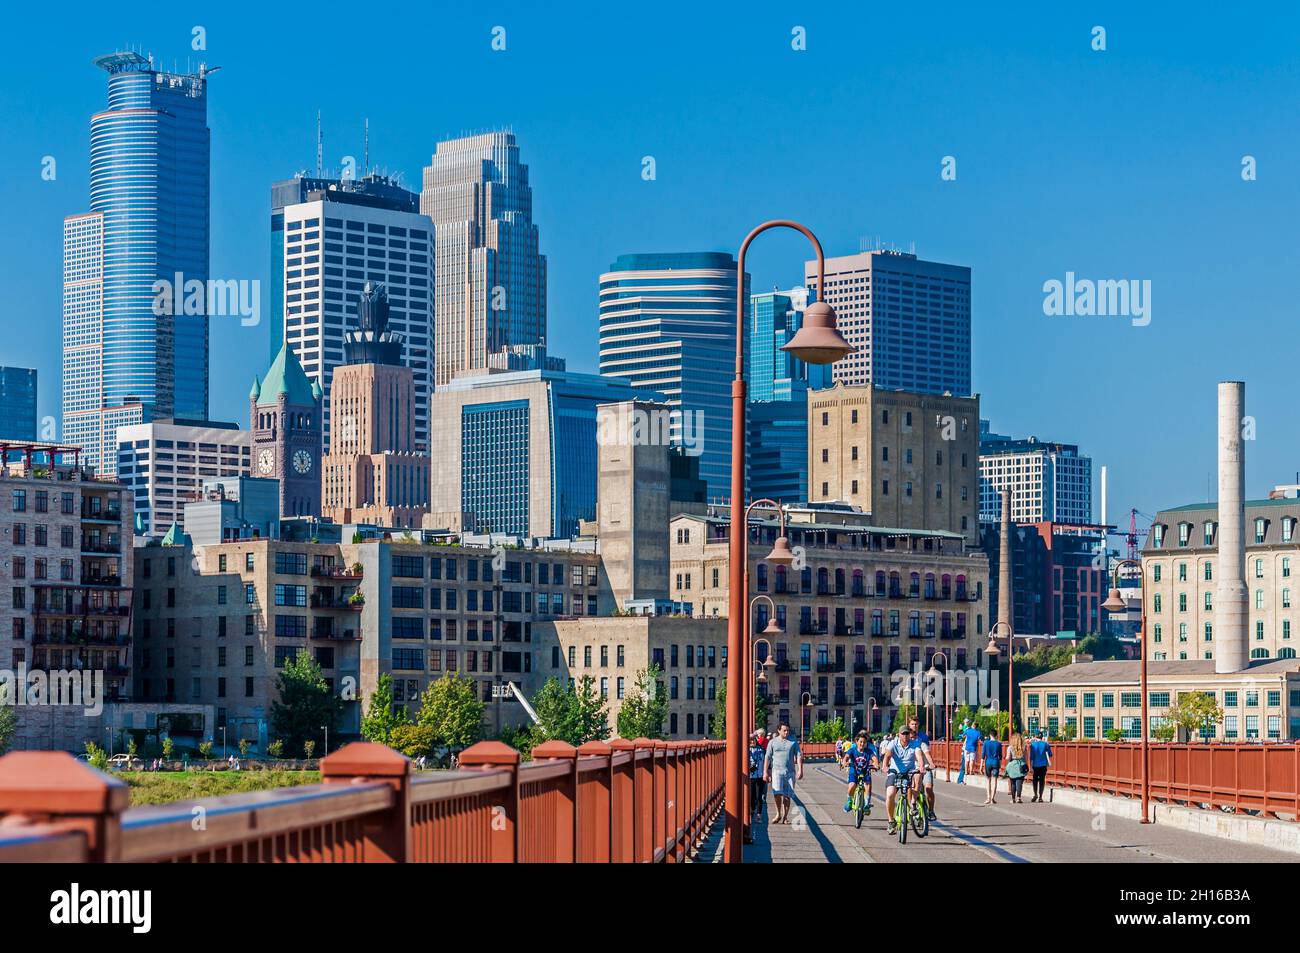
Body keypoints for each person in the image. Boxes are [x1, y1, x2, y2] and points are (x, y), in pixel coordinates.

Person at [880, 726, 920, 836]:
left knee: (914, 784)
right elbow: (887, 755)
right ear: (899, 734)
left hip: (908, 772)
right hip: (894, 772)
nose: (905, 736)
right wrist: (884, 766)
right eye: (903, 733)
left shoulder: (914, 744)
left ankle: (913, 806)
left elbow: (919, 755)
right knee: (890, 794)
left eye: (907, 733)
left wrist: (921, 766)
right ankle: (891, 821)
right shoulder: (893, 743)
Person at [763, 723, 803, 824]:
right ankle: (778, 814)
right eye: (784, 730)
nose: (786, 732)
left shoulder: (793, 742)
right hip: (776, 771)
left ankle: (785, 817)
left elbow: (798, 756)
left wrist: (800, 770)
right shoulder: (772, 742)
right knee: (777, 794)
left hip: (790, 772)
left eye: (788, 731)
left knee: (787, 795)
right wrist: (765, 772)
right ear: (779, 731)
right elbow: (767, 757)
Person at [841, 730, 878, 815]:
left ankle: (866, 804)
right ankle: (849, 801)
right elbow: (846, 757)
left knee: (867, 786)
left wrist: (876, 764)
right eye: (860, 742)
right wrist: (844, 762)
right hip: (854, 770)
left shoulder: (869, 751)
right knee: (852, 785)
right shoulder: (852, 750)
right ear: (856, 741)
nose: (862, 744)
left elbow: (874, 758)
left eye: (864, 742)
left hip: (865, 771)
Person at [908, 716, 937, 820]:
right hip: (912, 768)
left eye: (916, 724)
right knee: (910, 788)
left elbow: (927, 752)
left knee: (928, 788)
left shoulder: (922, 738)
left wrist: (931, 764)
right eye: (912, 724)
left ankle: (931, 810)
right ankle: (911, 807)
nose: (914, 726)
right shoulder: (906, 738)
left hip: (924, 767)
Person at [1028, 730, 1053, 802]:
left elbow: (1031, 757)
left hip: (1035, 765)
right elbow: (1050, 754)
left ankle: (1035, 794)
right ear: (1042, 737)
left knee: (1035, 780)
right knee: (1042, 780)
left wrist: (1030, 767)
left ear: (1035, 736)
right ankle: (1040, 797)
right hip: (1043, 765)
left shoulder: (1033, 745)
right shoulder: (1046, 744)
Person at [748, 733, 768, 821]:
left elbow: (767, 762)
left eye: (753, 739)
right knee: (752, 795)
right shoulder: (746, 750)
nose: (752, 741)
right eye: (750, 740)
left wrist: (767, 773)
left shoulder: (762, 750)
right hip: (751, 776)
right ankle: (752, 810)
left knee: (759, 796)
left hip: (760, 775)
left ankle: (759, 814)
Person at [981, 730, 1003, 804]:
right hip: (996, 762)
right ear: (996, 735)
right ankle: (993, 798)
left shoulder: (986, 743)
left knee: (988, 780)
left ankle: (988, 798)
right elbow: (1000, 756)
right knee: (995, 780)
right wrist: (1000, 764)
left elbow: (983, 755)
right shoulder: (999, 744)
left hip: (988, 763)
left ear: (990, 735)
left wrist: (981, 766)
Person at [1005, 732, 1028, 803]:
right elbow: (1026, 758)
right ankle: (1019, 797)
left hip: (1013, 765)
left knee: (1013, 783)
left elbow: (1008, 758)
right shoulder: (1023, 748)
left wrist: (1005, 758)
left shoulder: (1010, 747)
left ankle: (1013, 799)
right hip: (1021, 765)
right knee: (1019, 782)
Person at [961, 719, 982, 784]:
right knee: (972, 760)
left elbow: (963, 736)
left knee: (966, 760)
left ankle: (966, 772)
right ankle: (971, 771)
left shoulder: (968, 730)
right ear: (977, 726)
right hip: (973, 748)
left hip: (967, 747)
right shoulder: (978, 732)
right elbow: (980, 739)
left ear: (973, 725)